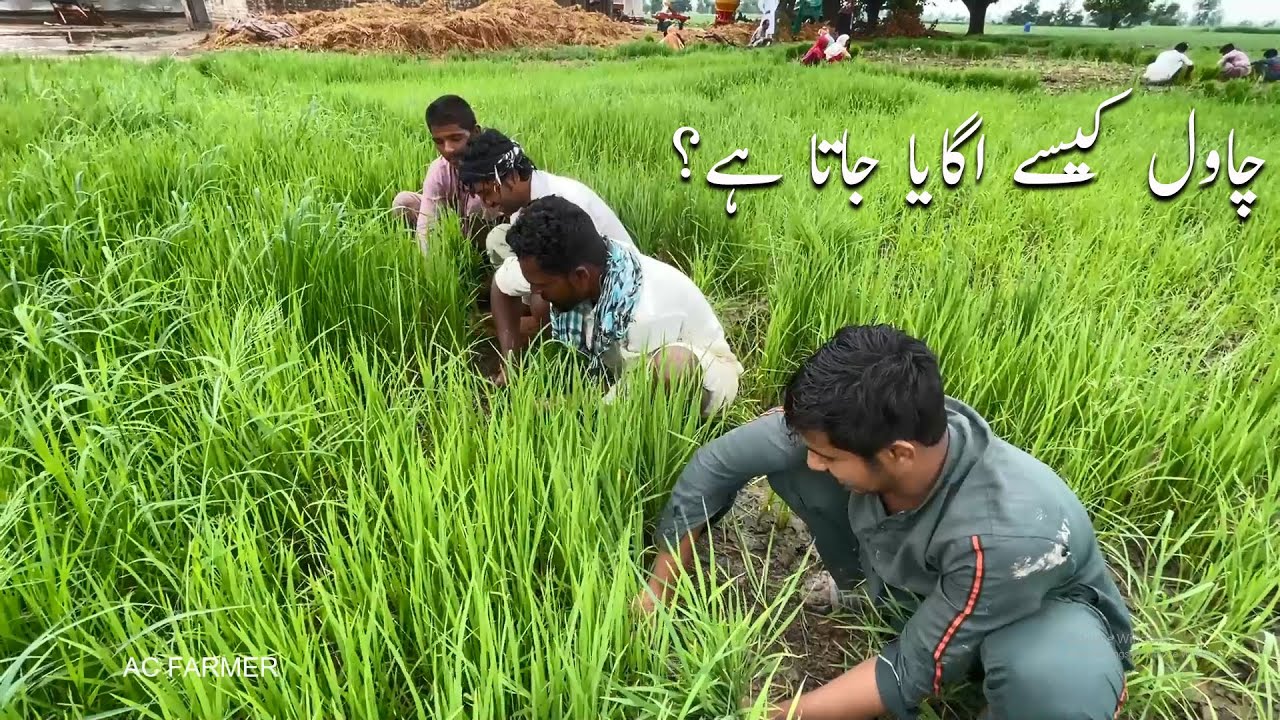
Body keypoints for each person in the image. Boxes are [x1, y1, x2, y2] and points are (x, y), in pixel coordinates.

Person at [636, 324, 1135, 720]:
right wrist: (659, 589)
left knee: (1051, 682)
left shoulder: (1004, 534)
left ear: (898, 454)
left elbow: (912, 670)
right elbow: (714, 466)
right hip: (943, 593)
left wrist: (778, 715)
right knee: (798, 469)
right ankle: (869, 596)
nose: (815, 461)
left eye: (827, 456)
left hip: (1033, 616)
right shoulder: (849, 422)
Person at [500, 195, 743, 416]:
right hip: (626, 367)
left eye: (541, 285)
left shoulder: (644, 313)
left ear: (580, 277)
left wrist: (559, 407)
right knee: (542, 304)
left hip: (698, 375)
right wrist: (509, 360)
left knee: (672, 366)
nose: (535, 291)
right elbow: (500, 286)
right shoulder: (565, 266)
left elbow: (620, 402)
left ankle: (665, 441)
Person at [457, 129, 637, 377]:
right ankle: (536, 331)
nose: (486, 203)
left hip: (610, 296)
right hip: (578, 283)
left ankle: (549, 342)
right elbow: (502, 284)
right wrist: (511, 362)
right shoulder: (526, 208)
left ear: (509, 178)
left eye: (488, 192)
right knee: (507, 252)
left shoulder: (562, 203)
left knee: (542, 298)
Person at [392, 95, 497, 255]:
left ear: (475, 132)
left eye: (456, 138)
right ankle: (425, 258)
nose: (448, 149)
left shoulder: (500, 160)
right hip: (460, 225)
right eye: (439, 142)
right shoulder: (439, 170)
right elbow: (427, 226)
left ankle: (487, 263)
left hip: (500, 232)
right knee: (403, 202)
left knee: (476, 206)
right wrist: (429, 269)